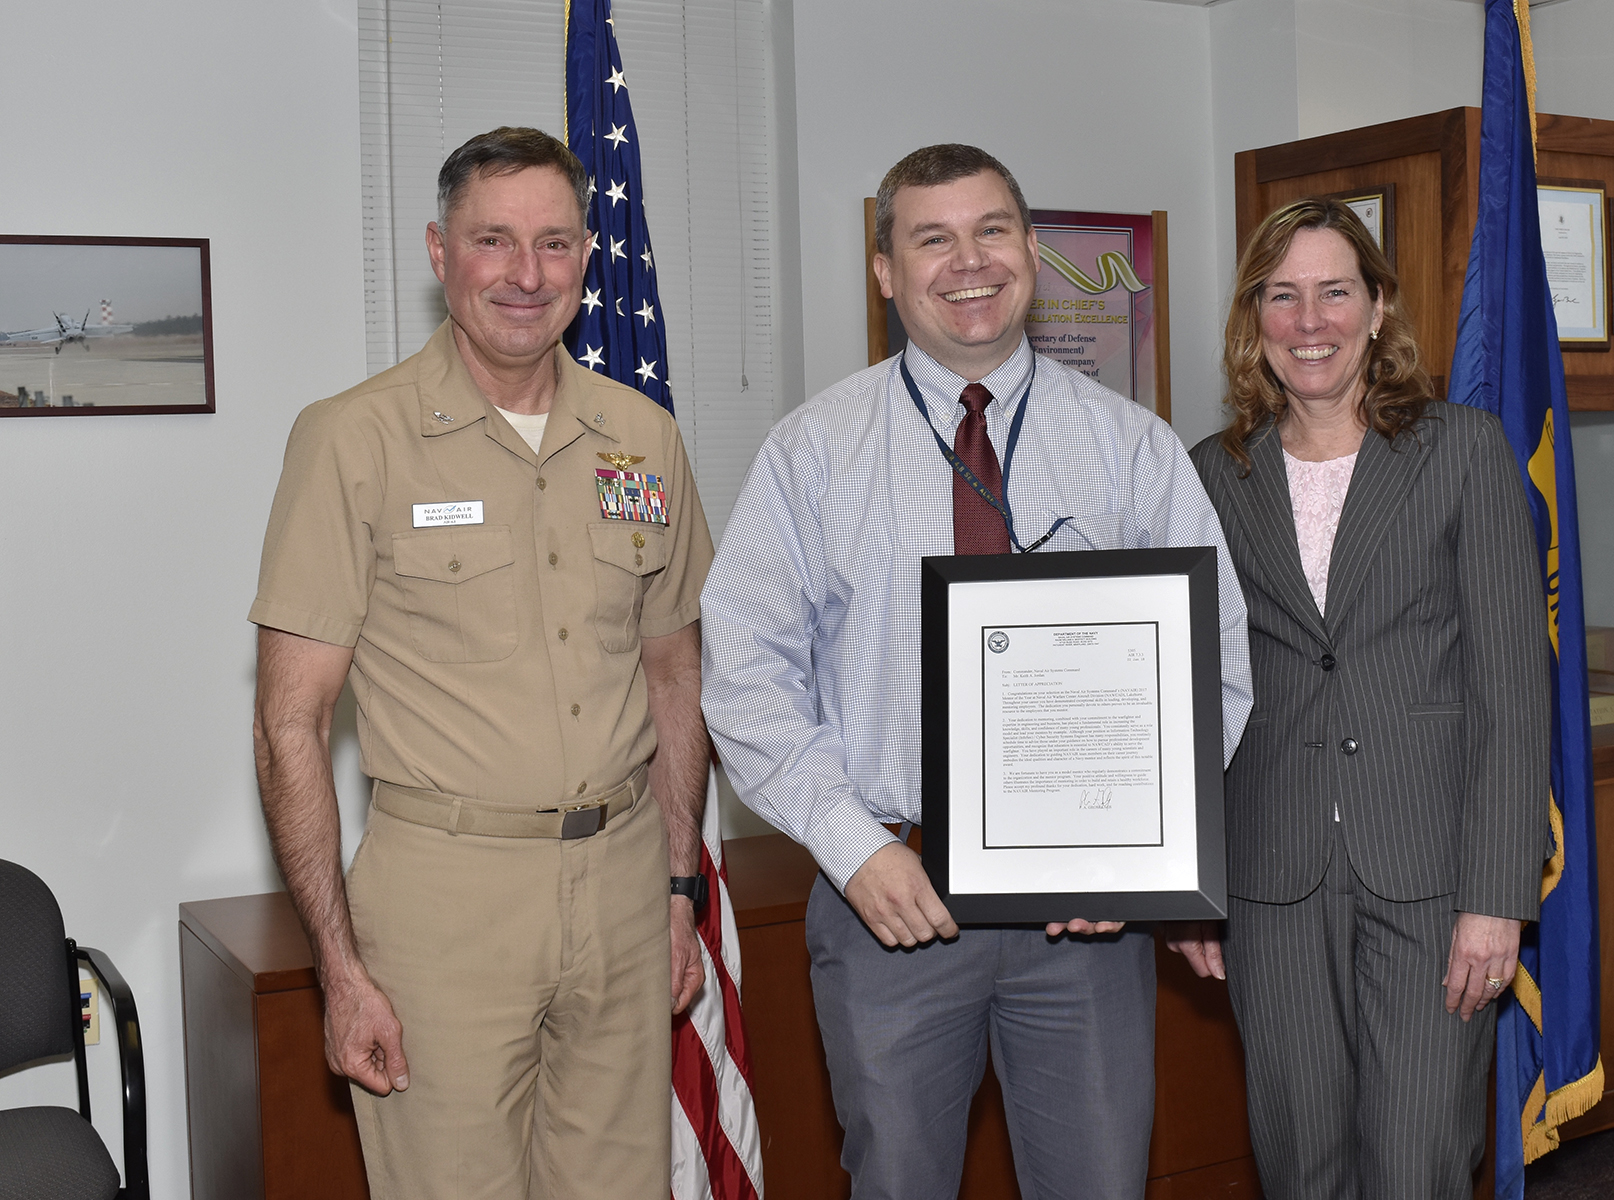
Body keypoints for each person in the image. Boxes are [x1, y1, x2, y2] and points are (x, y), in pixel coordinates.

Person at [699, 143, 1253, 1199]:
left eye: (992, 230)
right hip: (889, 897)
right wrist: (854, 850)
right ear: (885, 271)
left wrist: (1137, 857)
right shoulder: (812, 453)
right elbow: (745, 674)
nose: (969, 262)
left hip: (1082, 921)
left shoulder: (1130, 449)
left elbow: (1212, 663)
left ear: (1032, 251)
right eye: (931, 238)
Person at [249, 126, 713, 1200]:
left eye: (554, 243)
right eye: (492, 240)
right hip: (443, 901)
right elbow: (288, 723)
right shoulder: (353, 439)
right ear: (437, 250)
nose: (525, 273)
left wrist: (681, 884)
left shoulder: (643, 438)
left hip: (625, 888)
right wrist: (340, 965)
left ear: (588, 257)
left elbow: (674, 675)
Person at [1180, 197, 1550, 1199]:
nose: (1311, 322)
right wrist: (1184, 883)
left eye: (1335, 292)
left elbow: (1513, 692)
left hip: (1435, 881)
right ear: (1254, 317)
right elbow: (1187, 695)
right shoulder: (1211, 474)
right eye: (1283, 295)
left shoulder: (1464, 451)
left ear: (1378, 306)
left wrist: (1499, 898)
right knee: (1300, 1162)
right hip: (1270, 878)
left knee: (1421, 1159)